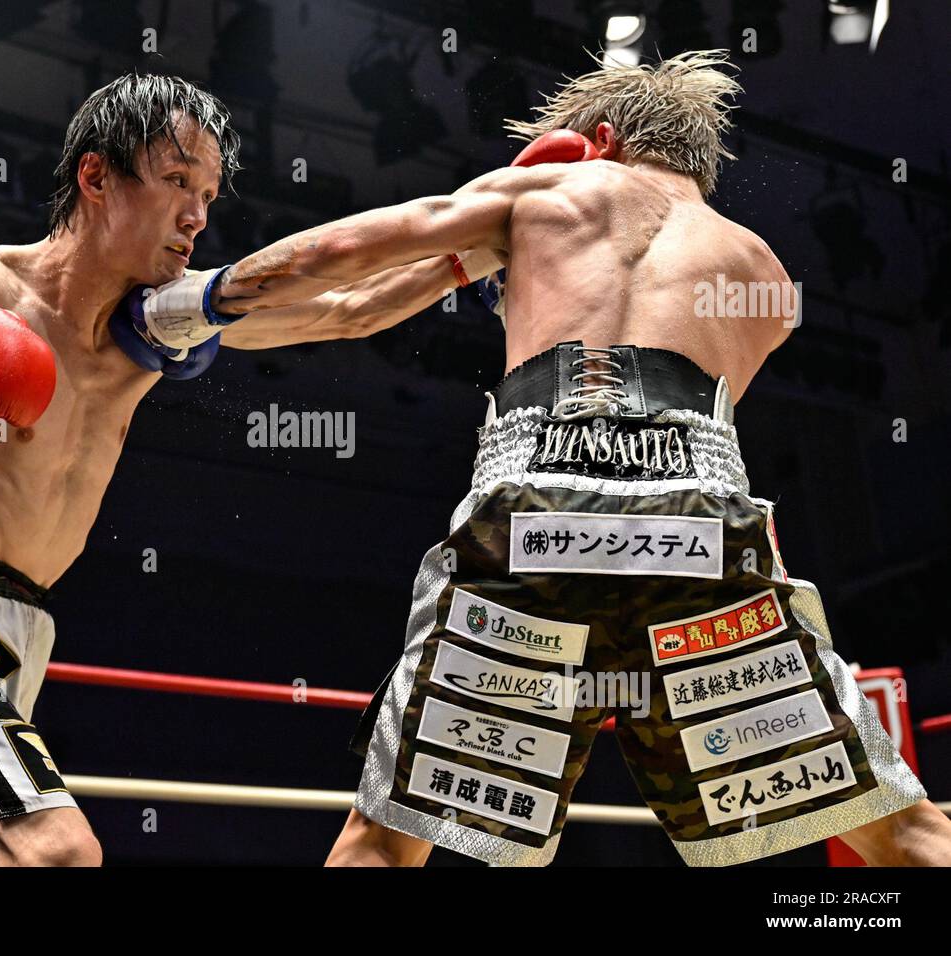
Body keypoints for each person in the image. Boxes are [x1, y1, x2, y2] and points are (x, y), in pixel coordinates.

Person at [129, 50, 951, 866]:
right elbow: (678, 390)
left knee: (386, 839)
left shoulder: (548, 190)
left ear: (594, 138)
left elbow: (339, 268)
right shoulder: (765, 276)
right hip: (704, 525)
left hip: (538, 506)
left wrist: (195, 306)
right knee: (897, 826)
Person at [0, 73, 468, 867]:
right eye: (178, 180)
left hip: (20, 640)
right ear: (96, 176)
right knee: (58, 854)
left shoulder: (156, 327)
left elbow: (348, 311)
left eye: (209, 196)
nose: (196, 216)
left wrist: (470, 257)